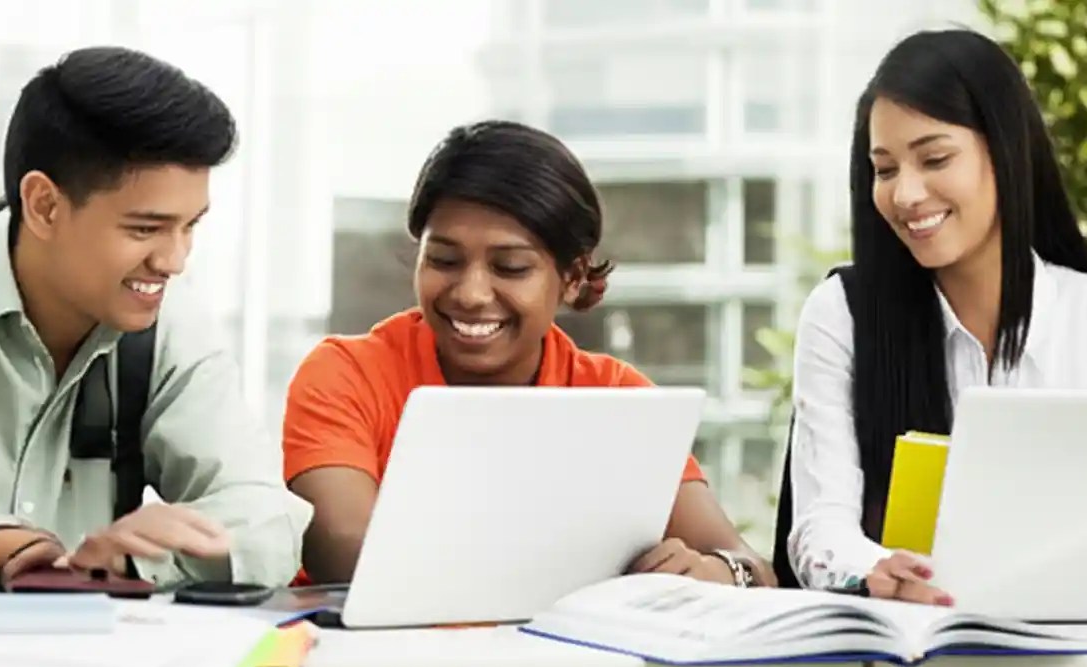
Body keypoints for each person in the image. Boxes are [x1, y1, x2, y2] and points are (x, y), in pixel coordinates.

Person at [284, 120, 774, 589]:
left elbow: (749, 564)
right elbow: (344, 549)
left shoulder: (614, 398)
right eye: (444, 260)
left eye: (511, 267)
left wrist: (721, 573)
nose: (471, 293)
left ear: (573, 277)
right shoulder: (345, 374)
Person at [786, 29, 1087, 604]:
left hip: (1079, 646)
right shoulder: (842, 315)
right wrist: (879, 570)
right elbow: (820, 529)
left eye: (935, 158)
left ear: (1005, 151)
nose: (906, 194)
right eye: (885, 169)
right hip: (905, 656)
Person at [0, 46, 312, 591]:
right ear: (43, 206)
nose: (174, 261)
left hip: (89, 665)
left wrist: (132, 560)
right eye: (144, 229)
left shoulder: (168, 323)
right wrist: (11, 550)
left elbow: (265, 522)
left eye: (190, 226)